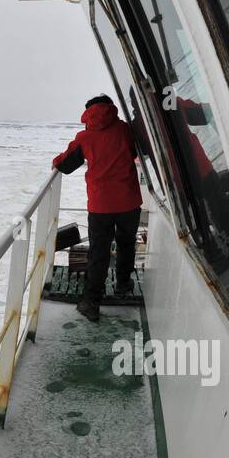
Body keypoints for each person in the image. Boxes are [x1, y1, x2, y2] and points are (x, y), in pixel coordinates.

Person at [52, 95, 142, 320]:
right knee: (126, 244)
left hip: (101, 204)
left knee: (99, 251)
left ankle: (92, 301)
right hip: (129, 201)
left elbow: (65, 165)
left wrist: (56, 161)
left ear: (88, 113)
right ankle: (122, 284)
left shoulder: (85, 137)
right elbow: (134, 152)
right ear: (111, 108)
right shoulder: (124, 130)